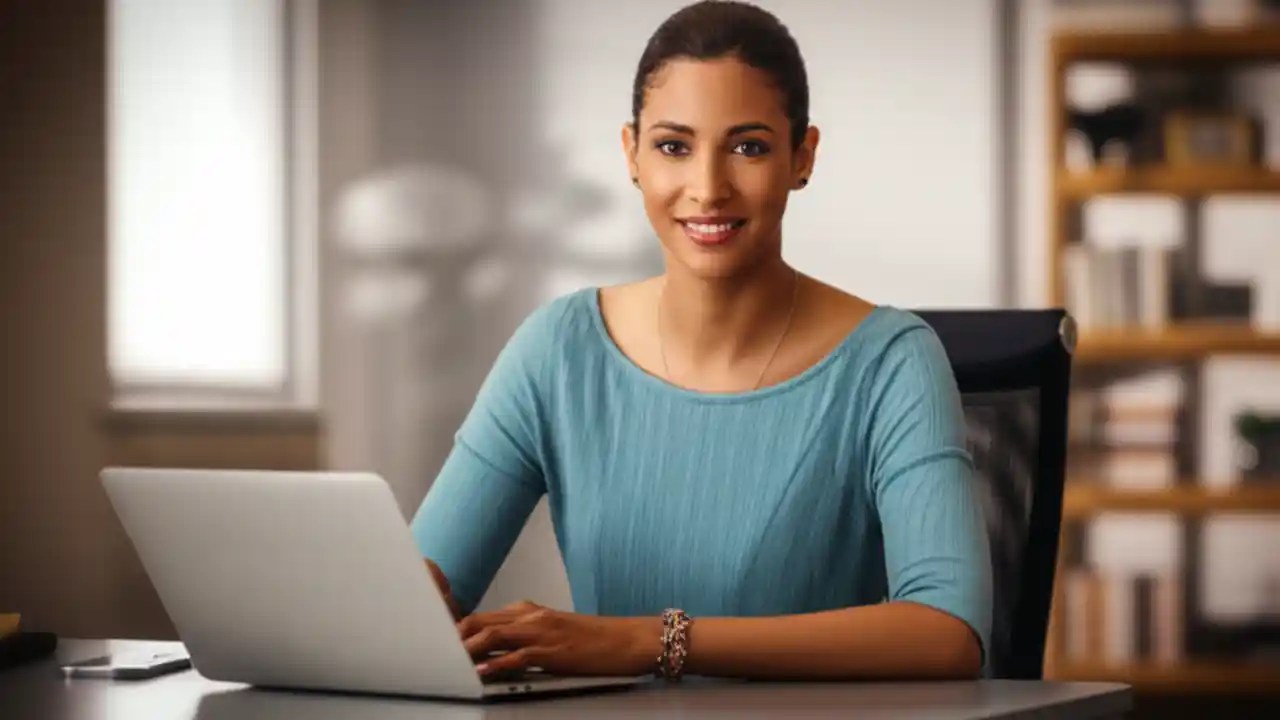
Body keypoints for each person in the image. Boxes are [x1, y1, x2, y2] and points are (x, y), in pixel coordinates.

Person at [411, 0, 991, 682]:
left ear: (802, 158)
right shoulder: (557, 352)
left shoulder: (892, 363)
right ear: (631, 154)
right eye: (673, 147)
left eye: (748, 147)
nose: (708, 188)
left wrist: (654, 641)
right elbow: (419, 599)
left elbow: (949, 634)